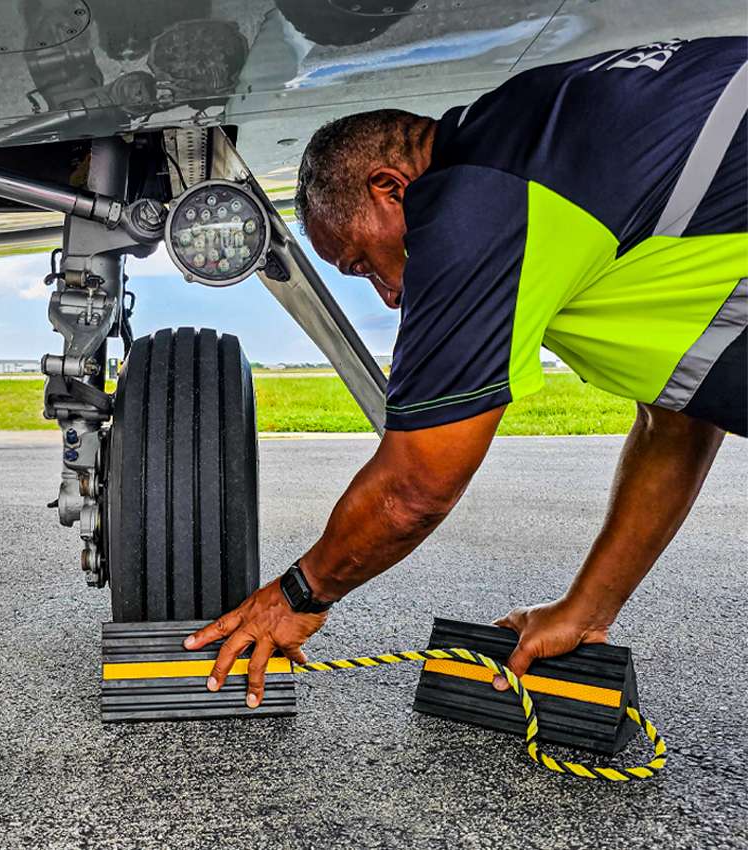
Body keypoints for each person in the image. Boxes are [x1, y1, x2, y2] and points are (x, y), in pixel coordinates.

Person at [185, 36, 747, 708]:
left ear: (391, 188)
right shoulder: (540, 137)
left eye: (364, 263)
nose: (390, 296)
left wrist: (297, 595)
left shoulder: (477, 207)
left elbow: (415, 487)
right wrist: (587, 608)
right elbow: (676, 422)